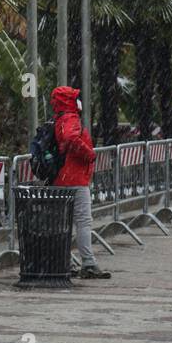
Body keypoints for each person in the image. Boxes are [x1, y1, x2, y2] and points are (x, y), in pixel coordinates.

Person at [50, 85, 110, 279]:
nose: (79, 101)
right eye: (75, 97)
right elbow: (71, 138)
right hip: (74, 177)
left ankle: (65, 262)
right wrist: (89, 153)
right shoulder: (70, 118)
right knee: (83, 221)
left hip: (63, 178)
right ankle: (88, 263)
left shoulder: (60, 118)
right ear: (69, 101)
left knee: (64, 223)